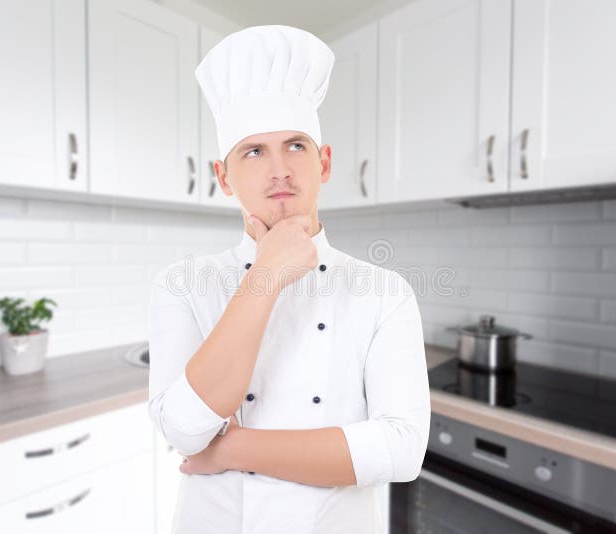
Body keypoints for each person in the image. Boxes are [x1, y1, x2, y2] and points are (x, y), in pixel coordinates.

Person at [147, 24, 430, 534]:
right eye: (253, 151)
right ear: (223, 176)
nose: (279, 169)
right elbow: (185, 430)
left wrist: (230, 449)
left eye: (295, 146)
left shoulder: (385, 293)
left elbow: (402, 449)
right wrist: (267, 274)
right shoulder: (182, 284)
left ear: (324, 163)